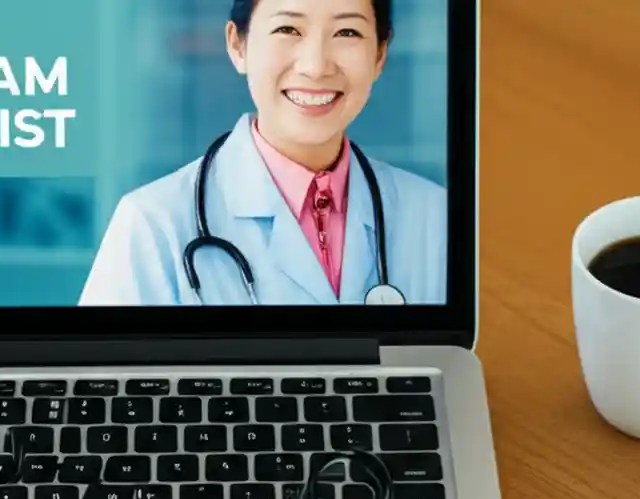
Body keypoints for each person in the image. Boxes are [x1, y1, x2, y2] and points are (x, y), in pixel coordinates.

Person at [78, 0, 447, 306]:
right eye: (288, 30)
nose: (316, 66)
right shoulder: (153, 223)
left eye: (347, 32)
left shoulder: (435, 216)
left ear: (380, 55)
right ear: (238, 46)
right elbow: (102, 380)